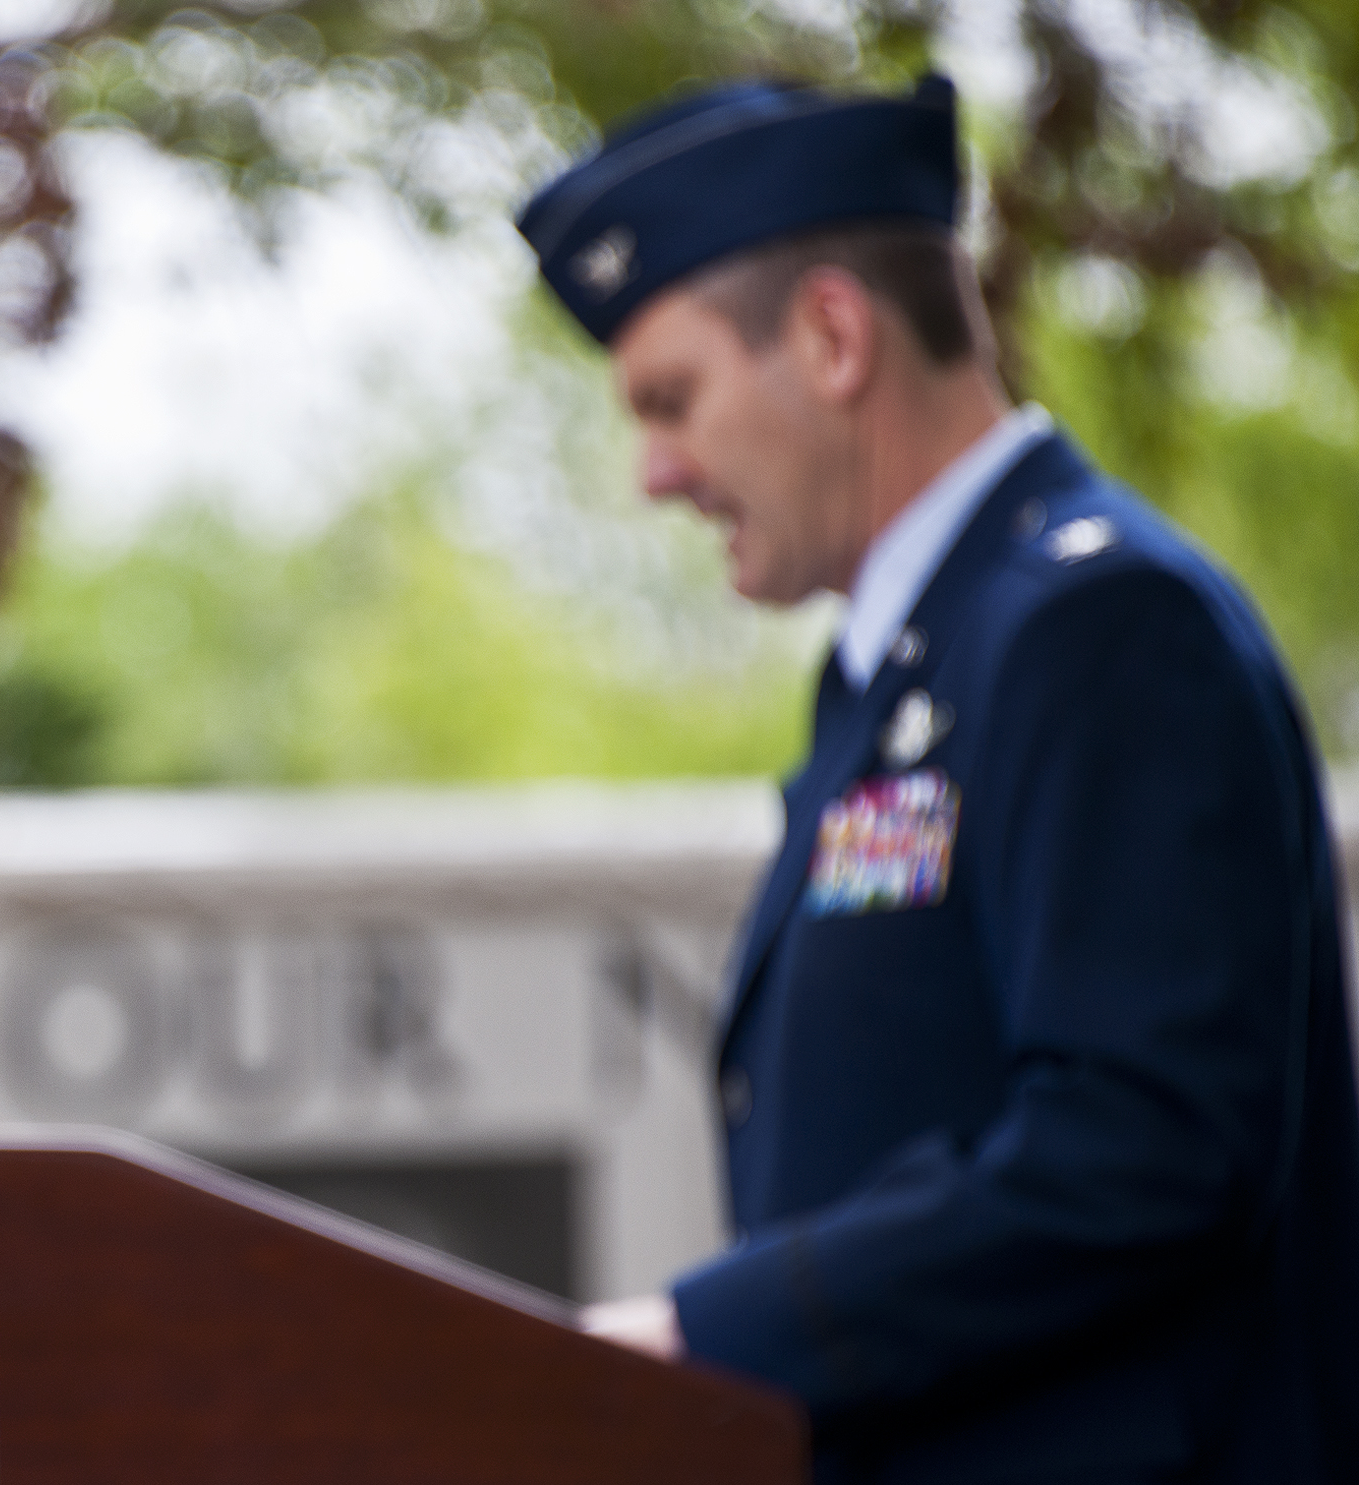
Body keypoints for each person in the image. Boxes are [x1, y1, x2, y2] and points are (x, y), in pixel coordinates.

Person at [519, 74, 1359, 1482]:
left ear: (834, 335)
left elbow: (1144, 1139)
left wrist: (706, 1330)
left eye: (672, 399)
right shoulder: (909, 662)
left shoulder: (1093, 623)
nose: (655, 473)